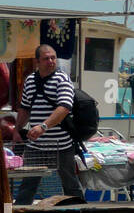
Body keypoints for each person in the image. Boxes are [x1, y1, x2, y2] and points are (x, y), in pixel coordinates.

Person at [13, 45, 84, 203]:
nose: (51, 61)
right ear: (37, 61)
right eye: (46, 58)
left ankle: (80, 212)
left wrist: (43, 126)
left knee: (70, 183)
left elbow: (64, 107)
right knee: (28, 184)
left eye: (53, 57)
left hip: (61, 144)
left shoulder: (62, 79)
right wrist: (17, 130)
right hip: (36, 146)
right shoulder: (30, 80)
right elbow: (24, 108)